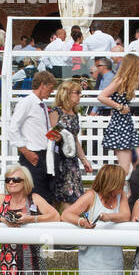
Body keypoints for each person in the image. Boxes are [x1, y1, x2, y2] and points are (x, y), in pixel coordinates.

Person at [63, 162, 129, 275]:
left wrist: (110, 217)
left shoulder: (121, 196)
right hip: (92, 259)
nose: (123, 185)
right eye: (120, 182)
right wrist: (81, 222)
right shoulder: (91, 196)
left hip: (113, 259)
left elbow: (126, 215)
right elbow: (66, 214)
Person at [8, 70, 58, 203]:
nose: (51, 92)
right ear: (43, 85)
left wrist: (55, 134)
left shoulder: (41, 105)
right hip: (32, 155)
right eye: (50, 88)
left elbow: (41, 132)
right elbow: (13, 128)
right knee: (36, 196)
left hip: (44, 155)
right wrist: (26, 151)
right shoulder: (26, 103)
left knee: (47, 195)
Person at [50, 78, 92, 210]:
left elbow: (75, 139)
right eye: (77, 92)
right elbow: (51, 136)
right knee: (56, 196)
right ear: (66, 93)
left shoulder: (75, 114)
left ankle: (68, 221)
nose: (80, 95)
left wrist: (84, 160)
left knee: (72, 195)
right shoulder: (56, 112)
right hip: (58, 158)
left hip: (71, 160)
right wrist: (60, 135)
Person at [97, 52, 139, 175]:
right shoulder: (120, 80)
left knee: (138, 162)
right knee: (125, 169)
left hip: (126, 122)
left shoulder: (126, 81)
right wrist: (119, 107)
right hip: (120, 123)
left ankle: (133, 192)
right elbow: (101, 96)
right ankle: (119, 193)